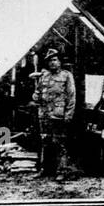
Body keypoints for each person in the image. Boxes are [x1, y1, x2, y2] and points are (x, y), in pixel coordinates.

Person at [33, 48, 76, 180]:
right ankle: (44, 169)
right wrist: (36, 95)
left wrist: (68, 115)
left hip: (58, 114)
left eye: (54, 60)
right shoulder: (44, 76)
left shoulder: (66, 75)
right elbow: (38, 93)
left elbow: (71, 96)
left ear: (60, 61)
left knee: (60, 143)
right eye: (49, 61)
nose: (52, 63)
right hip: (44, 114)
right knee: (45, 142)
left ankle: (61, 171)